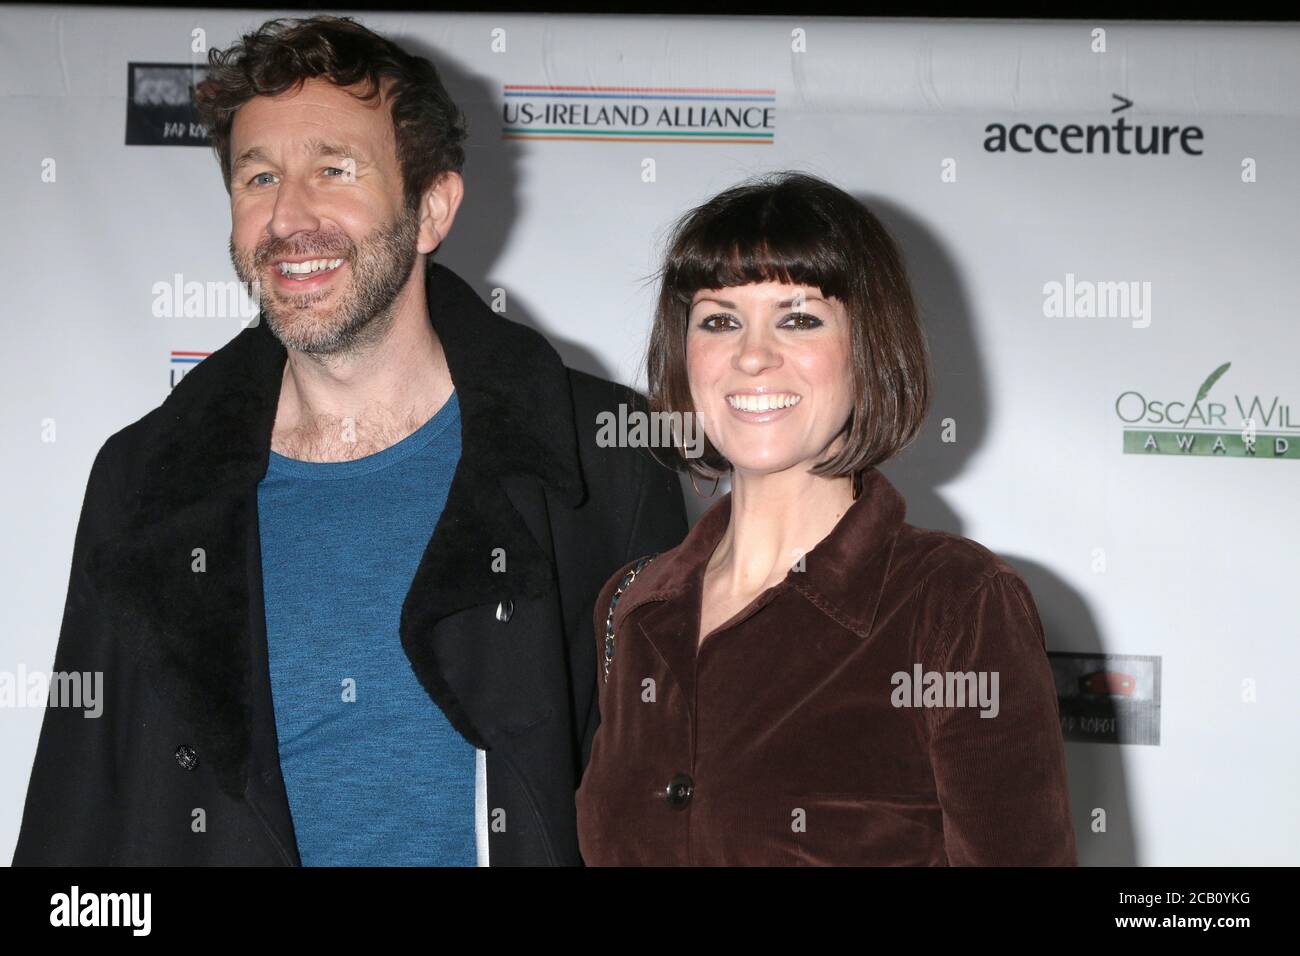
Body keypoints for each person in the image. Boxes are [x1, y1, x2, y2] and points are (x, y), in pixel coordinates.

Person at [12, 15, 686, 866]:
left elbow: (671, 800)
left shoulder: (604, 461)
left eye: (334, 169)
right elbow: (80, 804)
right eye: (258, 177)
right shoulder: (143, 478)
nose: (289, 216)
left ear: (431, 207)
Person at [576, 171, 1077, 865]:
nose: (752, 355)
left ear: (869, 349)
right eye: (719, 319)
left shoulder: (954, 606)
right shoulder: (632, 607)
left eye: (800, 318)